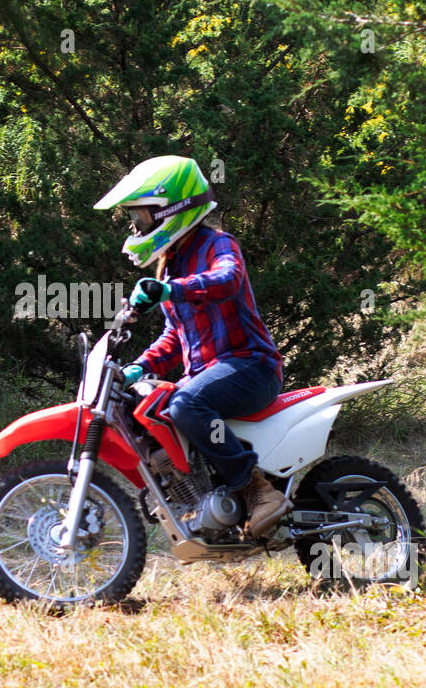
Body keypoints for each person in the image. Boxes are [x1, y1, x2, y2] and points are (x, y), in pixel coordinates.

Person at [93, 155, 289, 537]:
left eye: (143, 217)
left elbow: (228, 279)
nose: (138, 226)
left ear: (174, 209)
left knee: (186, 404)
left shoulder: (218, 244)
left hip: (250, 366)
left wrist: (171, 289)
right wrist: (139, 367)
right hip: (206, 373)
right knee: (153, 408)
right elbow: (174, 336)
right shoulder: (170, 264)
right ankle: (201, 501)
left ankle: (257, 491)